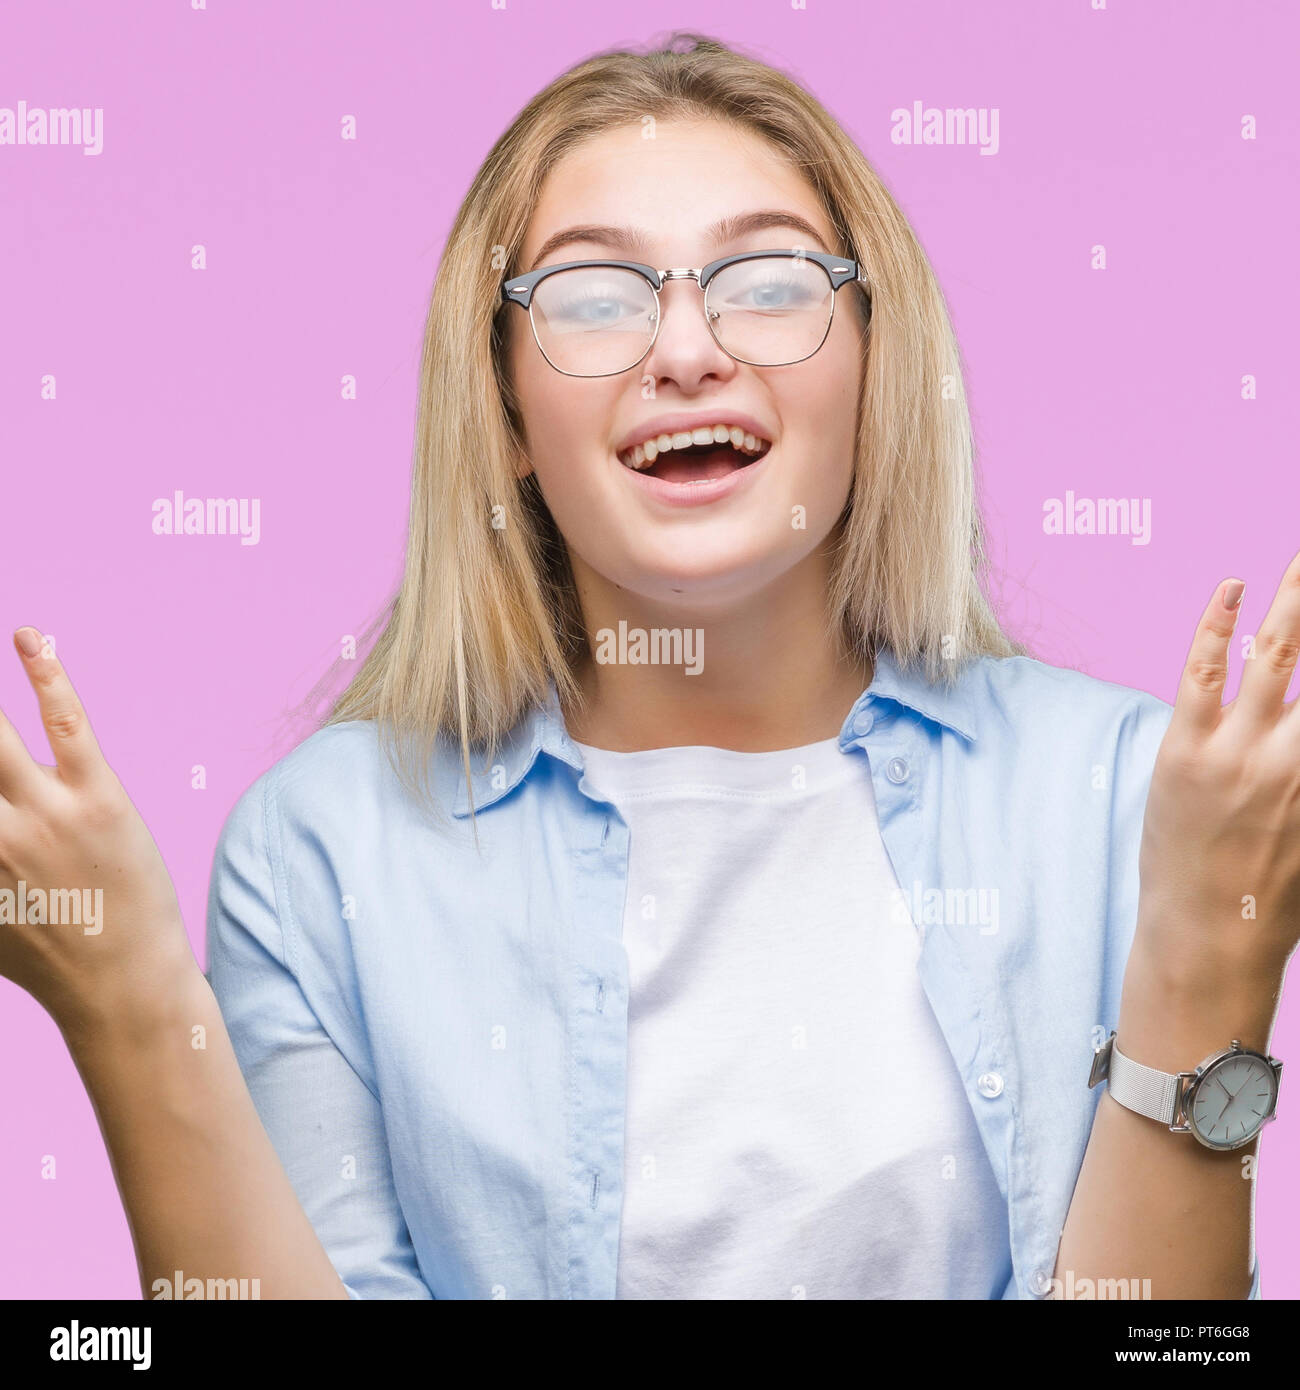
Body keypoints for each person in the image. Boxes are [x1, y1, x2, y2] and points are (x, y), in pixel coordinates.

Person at [1, 33, 1295, 1301]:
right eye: (595, 296)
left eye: (770, 278)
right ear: (508, 413)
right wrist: (123, 998)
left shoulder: (1131, 798)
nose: (686, 349)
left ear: (874, 361)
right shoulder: (320, 857)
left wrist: (1207, 949)